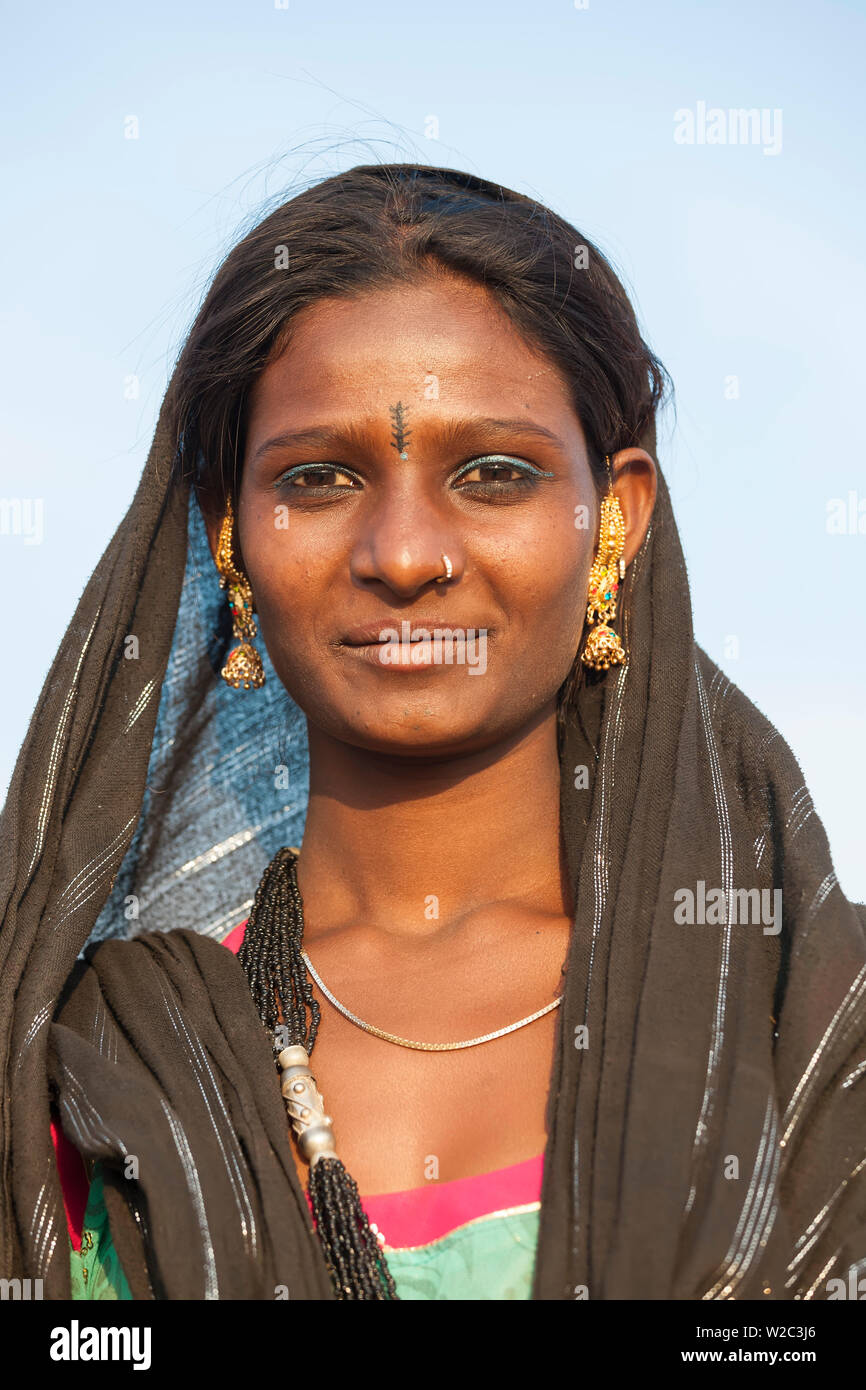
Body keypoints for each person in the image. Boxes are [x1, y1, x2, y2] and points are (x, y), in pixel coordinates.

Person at [1, 164, 863, 1301]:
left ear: (613, 520)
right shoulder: (92, 1066)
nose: (404, 555)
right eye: (318, 477)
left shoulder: (802, 1018)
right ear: (228, 535)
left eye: (492, 473)